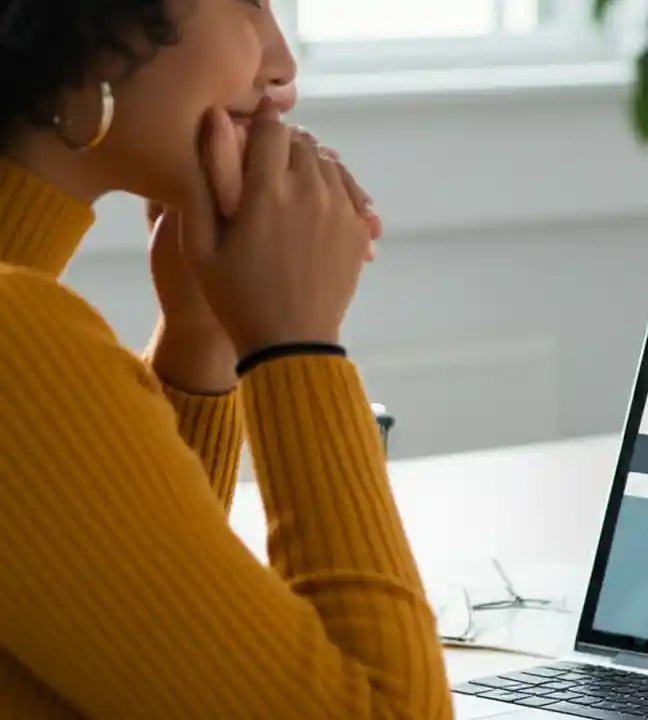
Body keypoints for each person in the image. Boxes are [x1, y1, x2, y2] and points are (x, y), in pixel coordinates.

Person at [0, 0, 452, 717]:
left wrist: (200, 333)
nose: (283, 70)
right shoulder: (16, 344)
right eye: (248, 4)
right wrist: (295, 345)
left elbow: (148, 665)